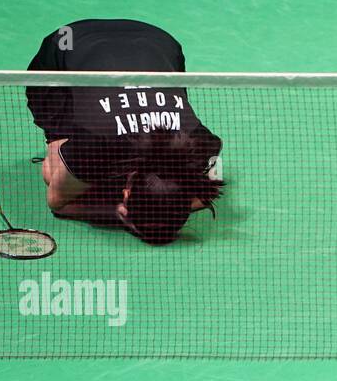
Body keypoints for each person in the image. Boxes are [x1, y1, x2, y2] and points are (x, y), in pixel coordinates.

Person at [26, 18, 224, 244]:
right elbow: (57, 202)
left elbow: (205, 196)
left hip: (158, 38)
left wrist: (141, 213)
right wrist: (125, 215)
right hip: (66, 41)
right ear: (126, 192)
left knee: (67, 174)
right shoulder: (96, 148)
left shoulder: (200, 144)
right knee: (51, 173)